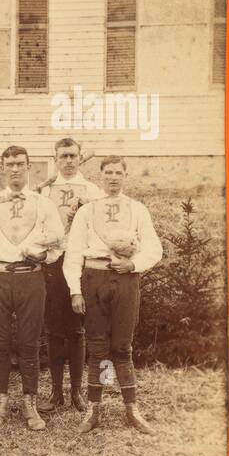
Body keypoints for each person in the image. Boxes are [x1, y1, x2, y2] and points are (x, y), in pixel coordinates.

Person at [0, 145, 66, 431]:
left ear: (29, 167)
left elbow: (59, 242)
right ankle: (0, 403)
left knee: (29, 342)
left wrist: (45, 257)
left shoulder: (43, 203)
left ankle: (29, 403)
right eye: (8, 164)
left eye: (19, 164)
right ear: (1, 168)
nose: (14, 169)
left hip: (30, 278)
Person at [64, 155, 163, 434]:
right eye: (108, 173)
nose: (113, 178)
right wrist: (75, 291)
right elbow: (73, 254)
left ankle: (131, 409)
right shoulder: (87, 211)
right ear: (101, 176)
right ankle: (96, 408)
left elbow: (154, 249)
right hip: (94, 280)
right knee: (98, 347)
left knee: (121, 347)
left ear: (125, 175)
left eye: (118, 173)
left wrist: (132, 264)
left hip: (125, 280)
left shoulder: (137, 209)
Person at [37, 137, 104, 414]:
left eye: (73, 156)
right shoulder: (45, 191)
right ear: (55, 158)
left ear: (79, 158)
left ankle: (76, 391)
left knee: (77, 329)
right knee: (53, 330)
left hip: (79, 264)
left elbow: (99, 229)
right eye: (63, 156)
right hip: (52, 263)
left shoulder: (92, 191)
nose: (68, 161)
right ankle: (56, 392)